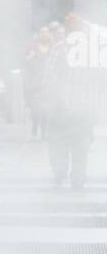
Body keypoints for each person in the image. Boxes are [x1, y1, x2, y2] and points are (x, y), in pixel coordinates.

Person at [43, 12, 104, 189]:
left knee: (57, 140)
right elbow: (100, 79)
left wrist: (50, 100)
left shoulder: (59, 48)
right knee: (81, 143)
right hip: (86, 107)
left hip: (62, 106)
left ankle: (60, 169)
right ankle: (78, 176)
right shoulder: (92, 52)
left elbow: (49, 77)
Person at [22, 27, 51, 140]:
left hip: (47, 83)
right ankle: (35, 124)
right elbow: (24, 61)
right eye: (42, 32)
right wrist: (29, 58)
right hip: (34, 84)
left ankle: (44, 130)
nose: (44, 34)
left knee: (46, 108)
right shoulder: (32, 48)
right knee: (35, 108)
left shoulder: (53, 48)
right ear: (39, 35)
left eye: (46, 32)